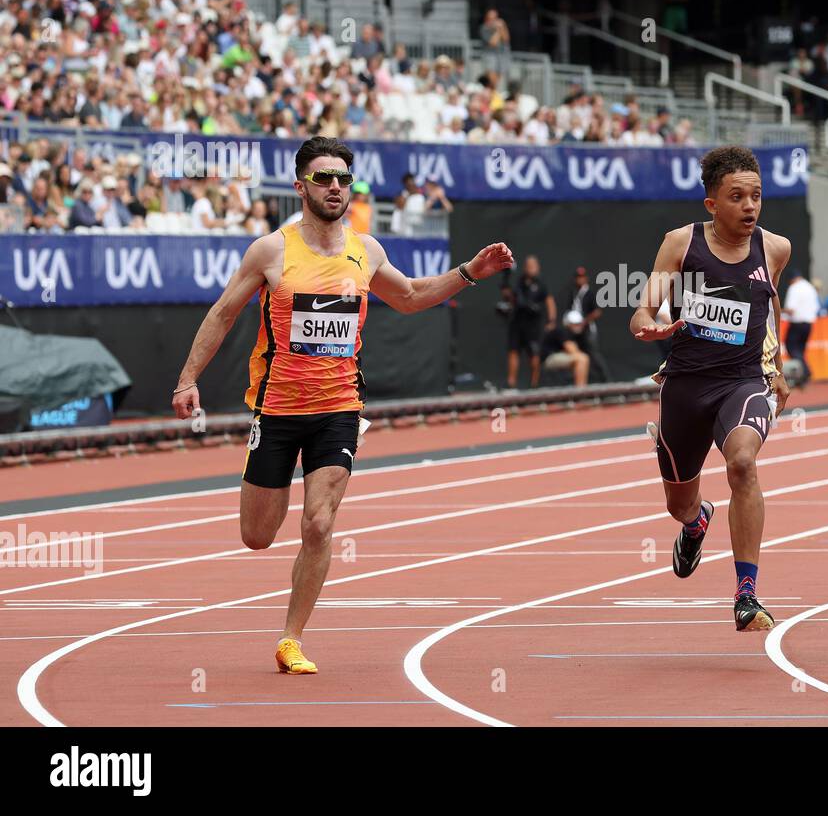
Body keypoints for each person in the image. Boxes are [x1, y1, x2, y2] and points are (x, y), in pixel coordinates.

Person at [170, 136, 512, 674]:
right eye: (324, 178)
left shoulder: (366, 249)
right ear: (300, 185)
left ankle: (291, 639)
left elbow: (411, 296)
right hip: (277, 407)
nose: (335, 188)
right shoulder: (270, 251)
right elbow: (222, 314)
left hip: (339, 407)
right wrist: (188, 378)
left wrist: (468, 272)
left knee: (319, 525)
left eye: (343, 180)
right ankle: (273, 521)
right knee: (257, 536)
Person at [630, 145, 792, 632]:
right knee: (678, 503)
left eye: (757, 197)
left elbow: (768, 305)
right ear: (711, 204)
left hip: (742, 381)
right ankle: (696, 521)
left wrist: (777, 366)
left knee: (742, 463)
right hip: (685, 386)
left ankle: (746, 594)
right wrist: (650, 325)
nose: (749, 207)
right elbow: (644, 308)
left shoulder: (775, 248)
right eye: (737, 197)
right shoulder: (681, 243)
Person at [506, 255, 554, 390]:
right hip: (517, 323)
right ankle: (511, 384)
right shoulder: (519, 282)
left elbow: (549, 302)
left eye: (533, 265)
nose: (531, 268)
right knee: (513, 351)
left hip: (533, 325)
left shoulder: (542, 284)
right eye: (528, 265)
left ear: (538, 267)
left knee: (534, 353)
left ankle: (534, 384)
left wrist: (551, 320)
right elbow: (511, 299)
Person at [560, 265, 607, 382]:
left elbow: (597, 311)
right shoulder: (573, 293)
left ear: (586, 278)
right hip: (575, 332)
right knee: (578, 356)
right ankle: (583, 383)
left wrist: (583, 323)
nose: (579, 279)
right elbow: (570, 310)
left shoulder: (590, 293)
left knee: (594, 355)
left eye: (582, 277)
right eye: (578, 277)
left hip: (587, 331)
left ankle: (606, 381)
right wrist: (570, 324)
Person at [782, 269, 819, 386]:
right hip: (809, 323)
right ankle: (801, 376)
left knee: (791, 347)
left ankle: (806, 372)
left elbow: (790, 309)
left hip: (797, 323)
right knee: (800, 350)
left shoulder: (794, 288)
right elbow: (816, 307)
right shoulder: (810, 287)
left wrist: (779, 311)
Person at [541, 310, 592, 387]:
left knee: (583, 359)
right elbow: (573, 351)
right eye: (575, 324)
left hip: (560, 357)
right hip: (549, 359)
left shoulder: (579, 335)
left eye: (579, 323)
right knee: (582, 359)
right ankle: (580, 394)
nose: (578, 326)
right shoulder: (563, 331)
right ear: (568, 324)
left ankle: (580, 391)